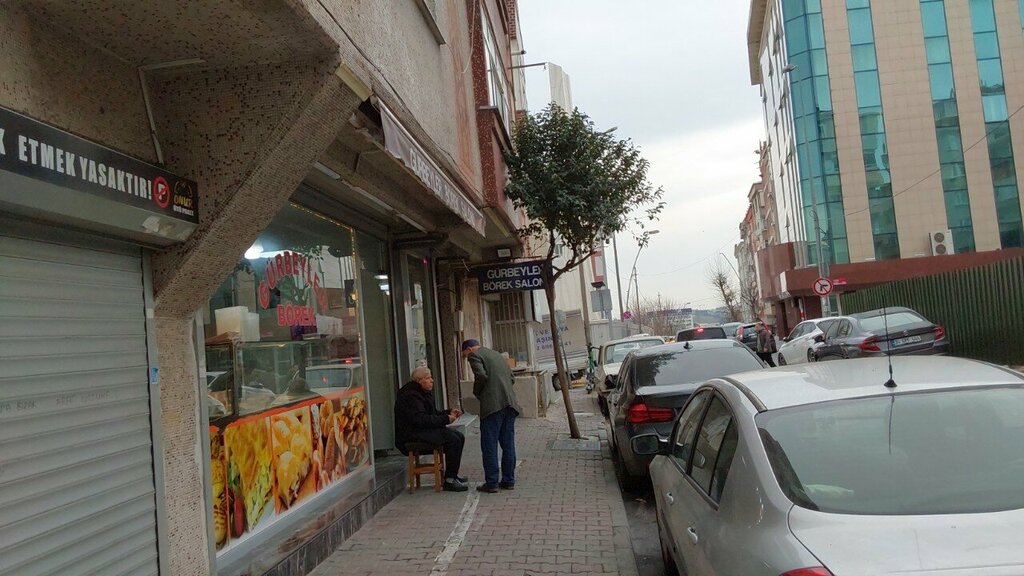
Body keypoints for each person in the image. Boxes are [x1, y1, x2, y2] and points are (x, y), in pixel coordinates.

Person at [394, 366, 468, 492]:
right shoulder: (410, 396)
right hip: (411, 435)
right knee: (453, 439)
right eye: (428, 378)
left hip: (421, 431)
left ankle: (452, 475)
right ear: (419, 381)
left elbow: (431, 414)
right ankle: (449, 480)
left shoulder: (422, 393)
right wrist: (445, 419)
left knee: (459, 436)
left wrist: (448, 413)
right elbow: (420, 419)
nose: (432, 380)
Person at [462, 339, 521, 493]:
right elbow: (512, 378)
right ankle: (509, 480)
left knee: (489, 445)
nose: (466, 358)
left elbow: (481, 375)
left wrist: (478, 392)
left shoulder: (474, 356)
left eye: (464, 354)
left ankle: (492, 482)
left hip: (492, 406)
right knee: (508, 444)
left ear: (468, 349)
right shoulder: (496, 355)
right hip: (510, 404)